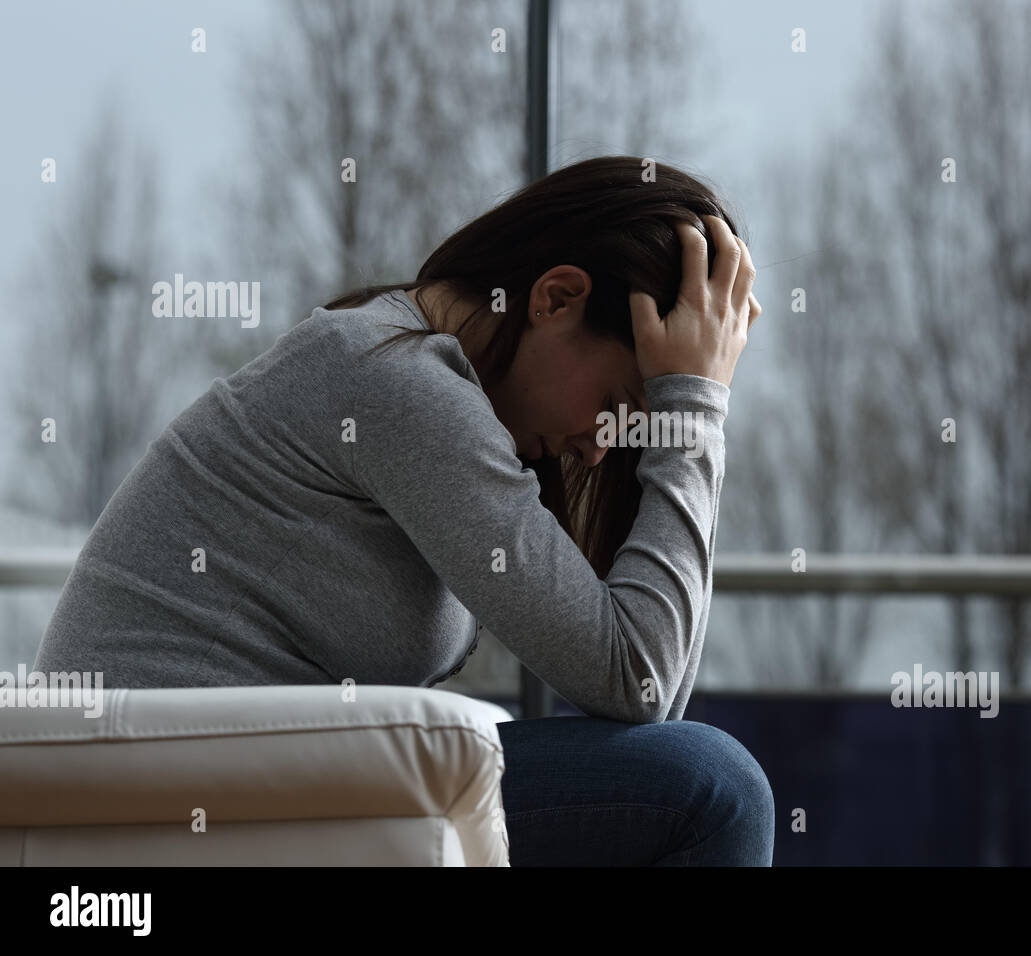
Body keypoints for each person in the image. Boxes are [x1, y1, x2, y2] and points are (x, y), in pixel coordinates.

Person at [34, 155, 773, 865]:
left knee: (693, 777)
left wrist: (685, 411)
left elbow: (654, 695)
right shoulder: (399, 383)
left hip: (226, 780)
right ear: (555, 298)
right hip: (171, 801)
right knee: (711, 789)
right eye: (619, 409)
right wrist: (694, 414)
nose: (596, 453)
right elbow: (640, 683)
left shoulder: (407, 373)